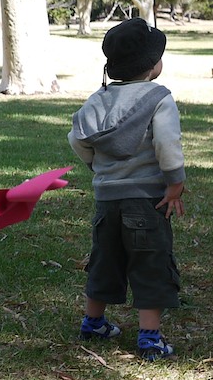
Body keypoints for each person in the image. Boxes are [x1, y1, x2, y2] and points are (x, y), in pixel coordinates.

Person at [68, 18, 186, 361]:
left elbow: (76, 137)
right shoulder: (159, 97)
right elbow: (167, 142)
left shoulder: (97, 99)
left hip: (107, 199)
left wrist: (94, 164)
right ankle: (149, 337)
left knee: (105, 260)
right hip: (148, 199)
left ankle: (93, 321)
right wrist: (175, 181)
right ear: (153, 65)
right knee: (151, 263)